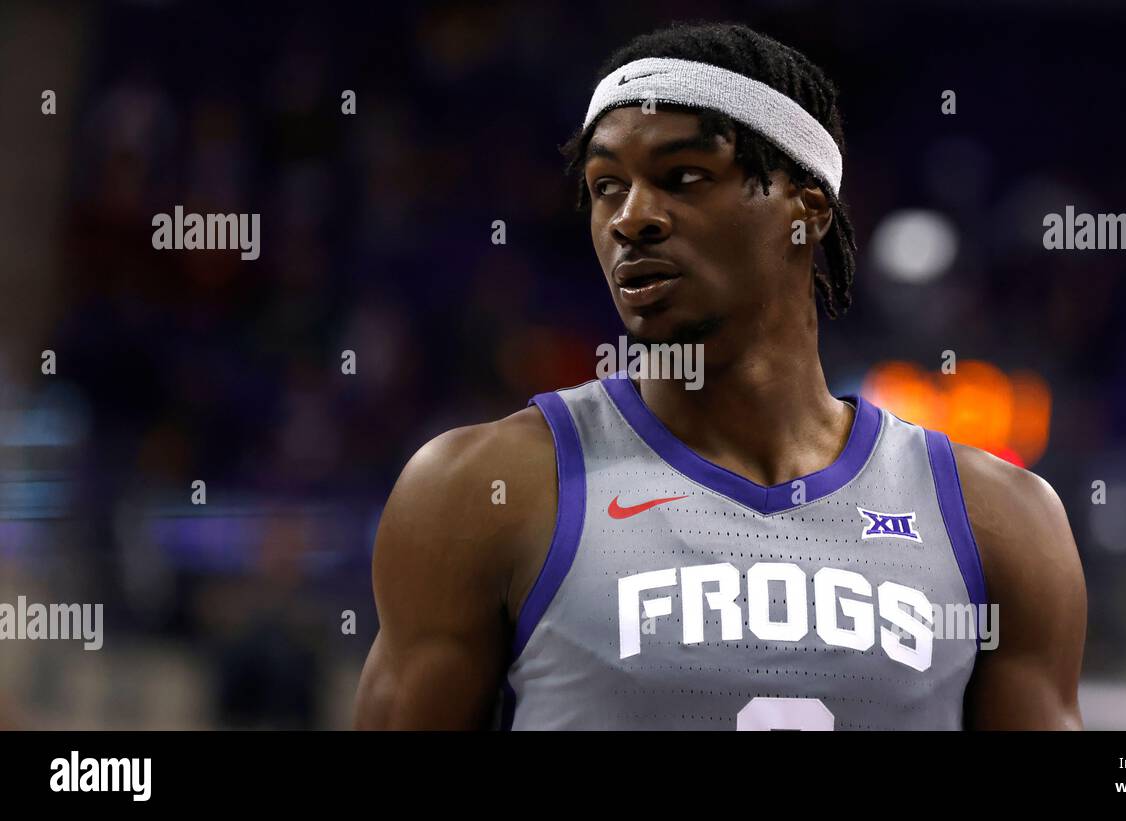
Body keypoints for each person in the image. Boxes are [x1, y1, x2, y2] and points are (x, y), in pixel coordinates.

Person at [354, 21, 1086, 730]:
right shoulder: (480, 489)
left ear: (808, 207)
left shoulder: (1002, 519)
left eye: (683, 177)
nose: (631, 217)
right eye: (607, 185)